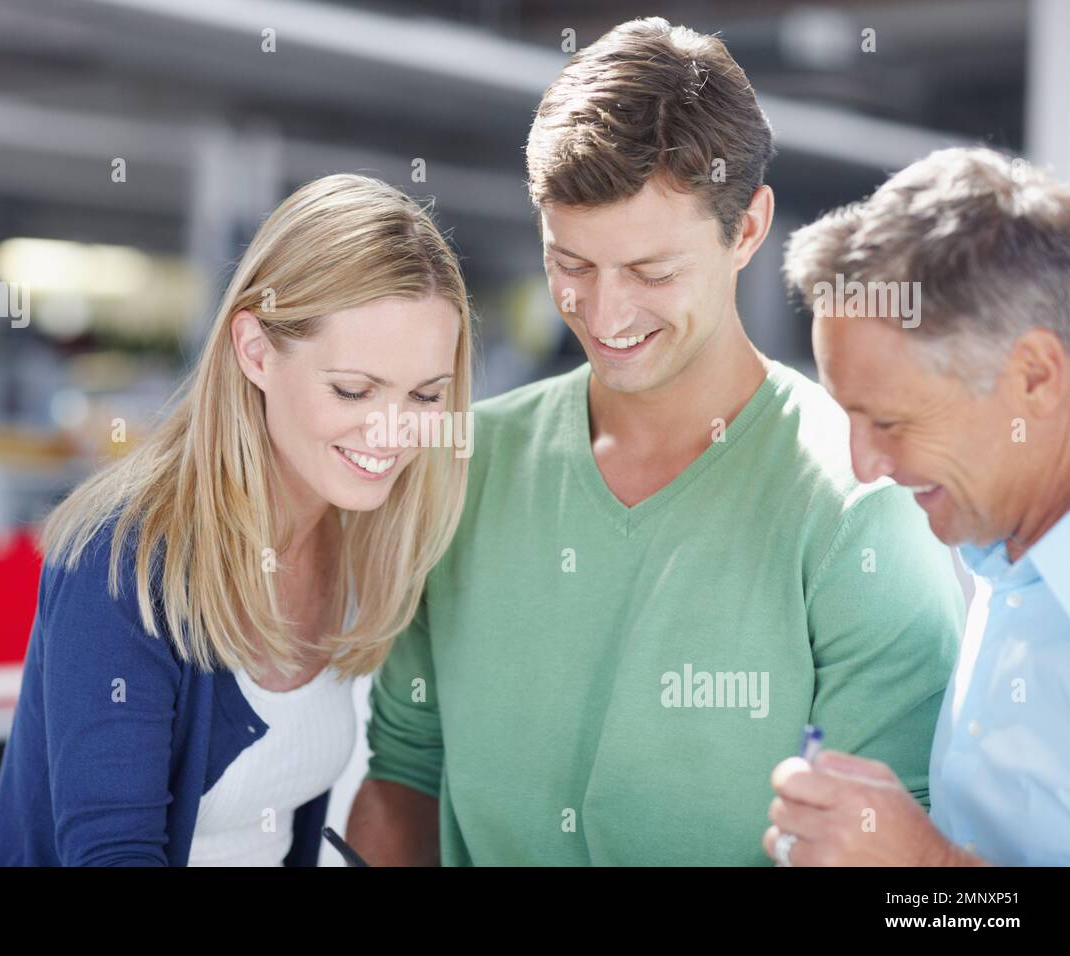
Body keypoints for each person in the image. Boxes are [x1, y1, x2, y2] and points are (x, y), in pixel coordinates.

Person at [346, 17, 963, 866]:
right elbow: (405, 775)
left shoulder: (856, 508)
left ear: (748, 229)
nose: (605, 316)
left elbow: (886, 846)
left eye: (652, 272)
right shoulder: (464, 467)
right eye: (571, 264)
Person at [0, 173, 473, 866]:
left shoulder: (364, 540)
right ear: (256, 351)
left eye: (425, 395)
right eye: (354, 389)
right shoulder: (122, 561)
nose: (391, 430)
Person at [764, 146, 1070, 866]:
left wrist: (927, 870)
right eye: (849, 417)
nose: (865, 467)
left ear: (1034, 375)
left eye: (892, 423)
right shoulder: (1001, 563)